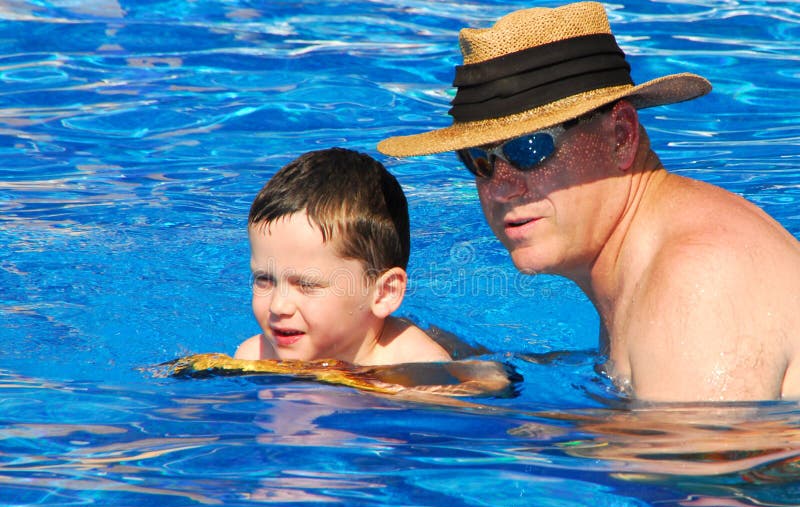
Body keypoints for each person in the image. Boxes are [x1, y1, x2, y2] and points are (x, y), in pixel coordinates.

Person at [378, 1, 800, 401]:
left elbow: (705, 470)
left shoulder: (696, 281)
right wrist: (467, 366)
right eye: (479, 160)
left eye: (530, 149)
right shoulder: (645, 264)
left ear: (621, 136)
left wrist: (508, 429)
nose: (501, 187)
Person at [234, 147, 452, 365]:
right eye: (264, 280)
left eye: (307, 284)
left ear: (384, 293)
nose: (278, 306)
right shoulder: (255, 357)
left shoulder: (417, 369)